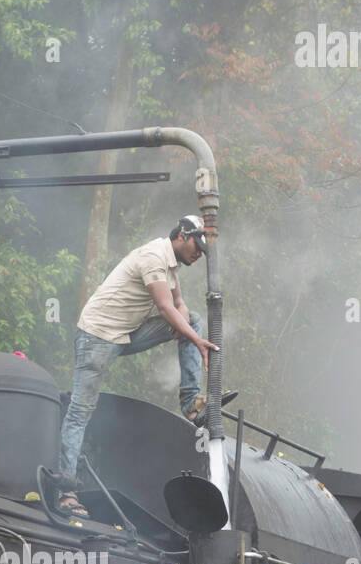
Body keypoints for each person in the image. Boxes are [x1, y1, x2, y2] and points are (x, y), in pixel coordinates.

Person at [57, 215, 233, 516]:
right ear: (181, 235)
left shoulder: (171, 266)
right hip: (97, 338)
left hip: (125, 335)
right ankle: (65, 491)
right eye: (196, 246)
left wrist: (187, 323)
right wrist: (198, 341)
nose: (198, 253)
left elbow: (178, 305)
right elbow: (165, 307)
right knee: (79, 413)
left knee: (191, 321)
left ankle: (191, 404)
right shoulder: (153, 257)